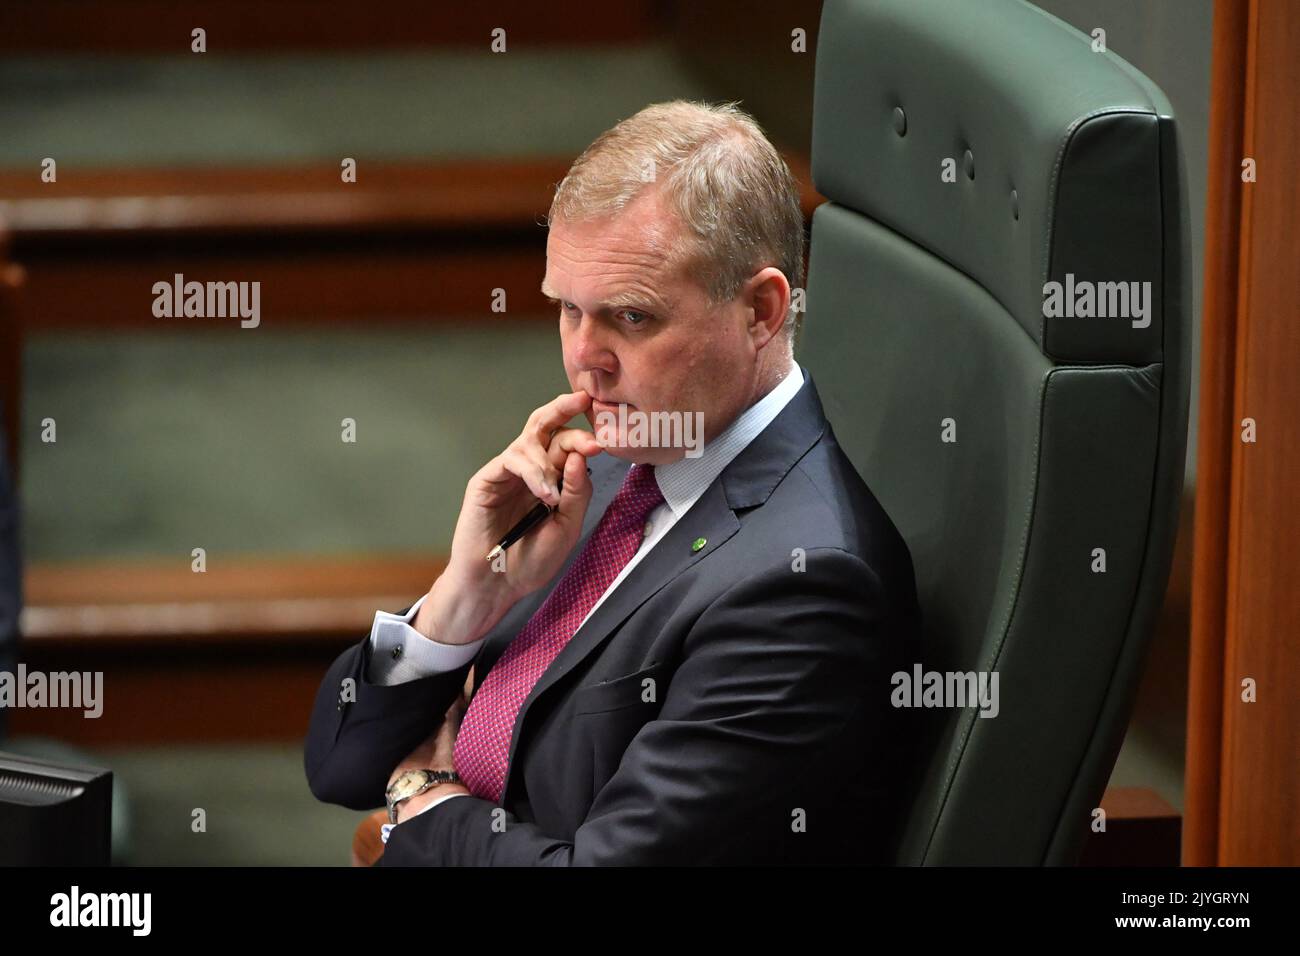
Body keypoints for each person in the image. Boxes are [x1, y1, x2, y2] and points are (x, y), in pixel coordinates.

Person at [305, 99, 919, 865]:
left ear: (761, 309)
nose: (583, 361)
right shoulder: (615, 459)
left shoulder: (807, 585)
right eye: (568, 309)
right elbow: (339, 767)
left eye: (631, 318)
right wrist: (467, 595)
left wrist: (426, 799)